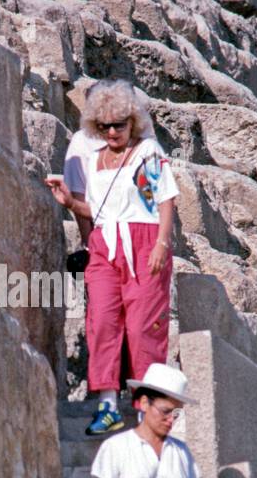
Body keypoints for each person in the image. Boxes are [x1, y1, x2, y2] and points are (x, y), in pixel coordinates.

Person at [44, 79, 176, 436]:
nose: (113, 131)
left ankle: (144, 410)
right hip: (105, 244)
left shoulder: (147, 151)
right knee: (101, 322)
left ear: (132, 120)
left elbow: (165, 198)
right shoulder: (94, 158)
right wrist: (70, 203)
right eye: (105, 126)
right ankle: (106, 405)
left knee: (141, 327)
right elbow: (97, 209)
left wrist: (162, 243)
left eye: (119, 123)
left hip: (144, 241)